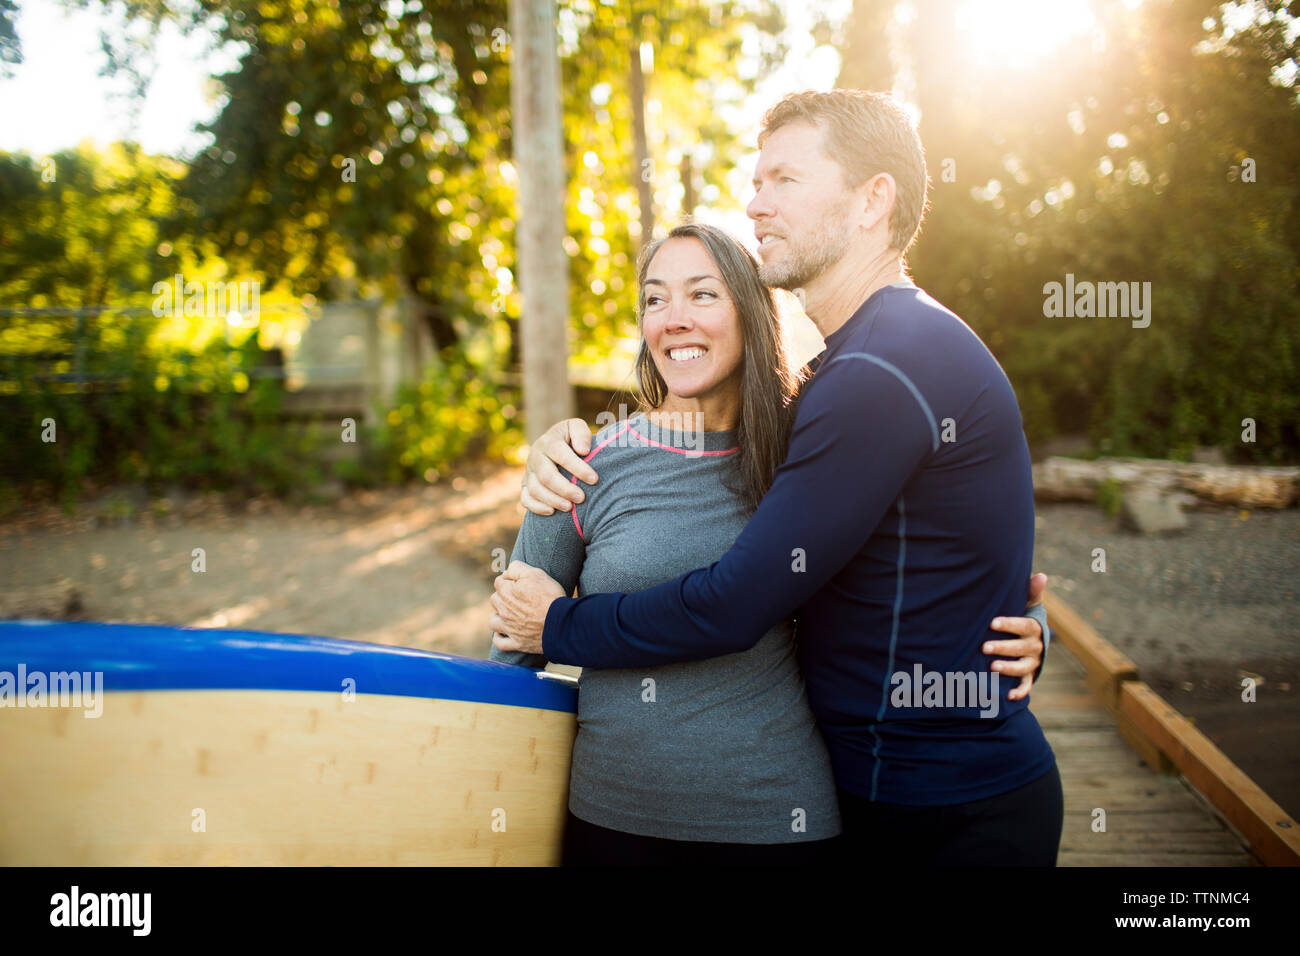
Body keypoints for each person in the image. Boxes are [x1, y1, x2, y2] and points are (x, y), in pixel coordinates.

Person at [492, 89, 1064, 866]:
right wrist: (563, 444)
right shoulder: (847, 371)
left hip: (942, 813)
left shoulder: (882, 365)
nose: (756, 204)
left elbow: (737, 603)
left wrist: (558, 625)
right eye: (756, 182)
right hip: (868, 791)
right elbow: (953, 553)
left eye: (784, 181)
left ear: (873, 200)